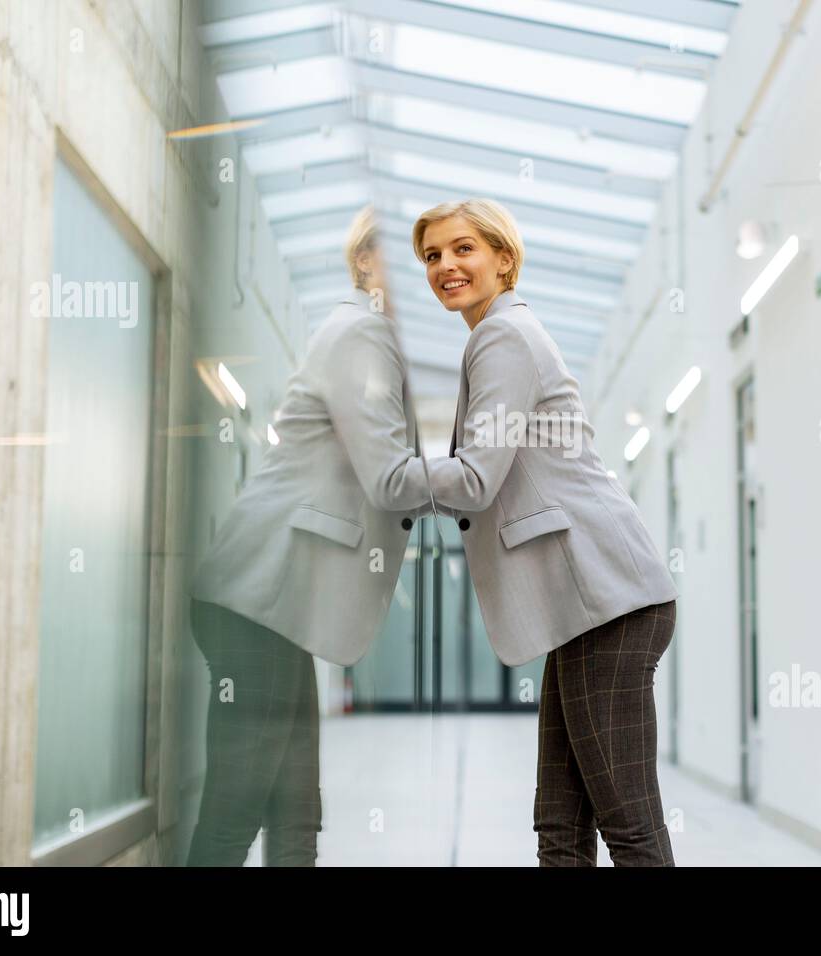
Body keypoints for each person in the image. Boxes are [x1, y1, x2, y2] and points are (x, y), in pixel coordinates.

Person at [412, 198, 680, 866]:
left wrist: (389, 473)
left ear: (504, 259)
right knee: (559, 824)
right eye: (432, 255)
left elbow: (476, 478)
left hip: (606, 601)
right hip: (583, 606)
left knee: (629, 822)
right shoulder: (497, 336)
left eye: (463, 248)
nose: (445, 265)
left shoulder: (503, 336)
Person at [187, 206, 430, 865]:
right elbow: (388, 477)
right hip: (256, 601)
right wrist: (481, 479)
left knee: (297, 813)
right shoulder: (359, 334)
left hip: (277, 610)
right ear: (364, 263)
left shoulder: (376, 339)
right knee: (236, 808)